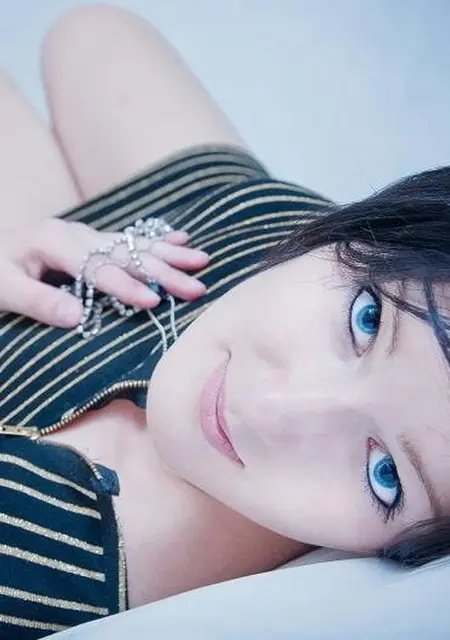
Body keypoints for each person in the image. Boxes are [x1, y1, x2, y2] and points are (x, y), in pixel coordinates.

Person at [0, 3, 449, 638]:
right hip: (230, 249)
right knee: (91, 33)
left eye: (385, 476)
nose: (268, 406)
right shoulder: (293, 246)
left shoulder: (41, 557)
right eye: (369, 320)